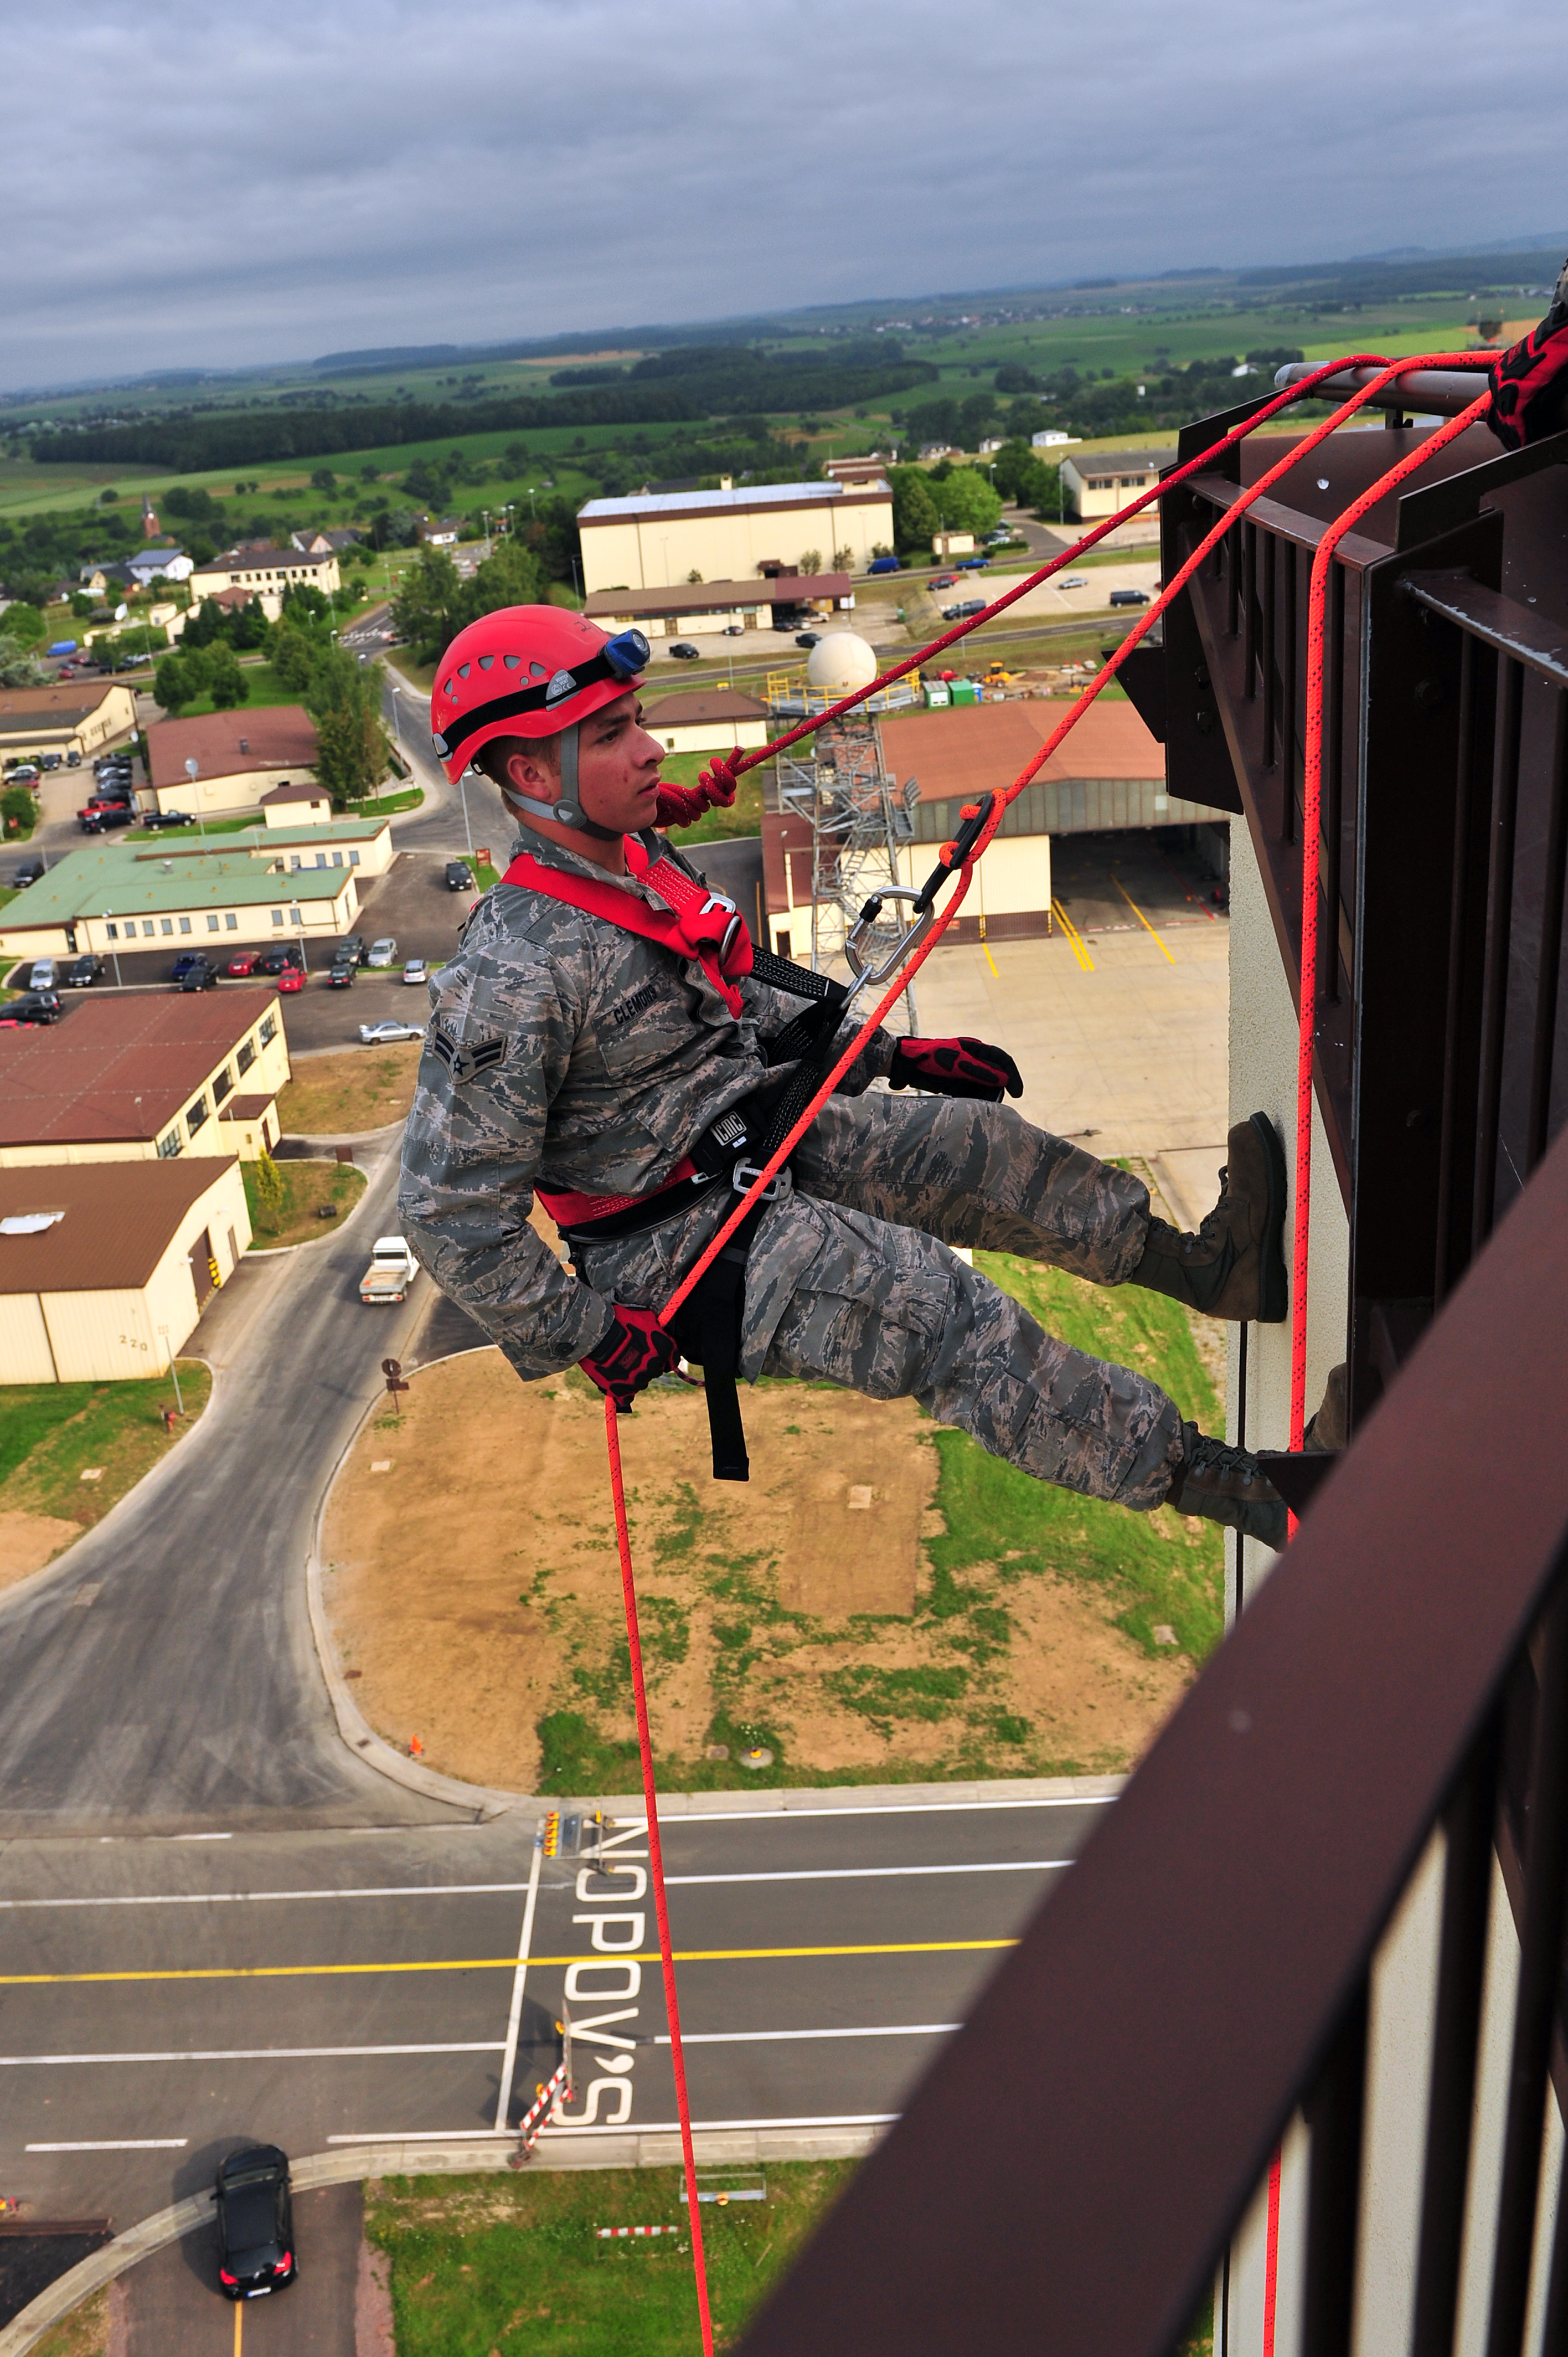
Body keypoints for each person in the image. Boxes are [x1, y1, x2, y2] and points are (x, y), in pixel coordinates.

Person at [399, 607, 1296, 1551]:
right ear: (534, 776)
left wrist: (893, 1057)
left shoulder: (640, 863)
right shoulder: (510, 971)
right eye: (612, 735)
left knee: (976, 1145)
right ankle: (1251, 1494)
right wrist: (588, 1332)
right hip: (676, 1248)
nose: (652, 750)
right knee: (939, 1311)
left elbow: (743, 996)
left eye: (639, 721)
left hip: (755, 1144)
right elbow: (449, 1212)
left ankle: (1211, 1270)